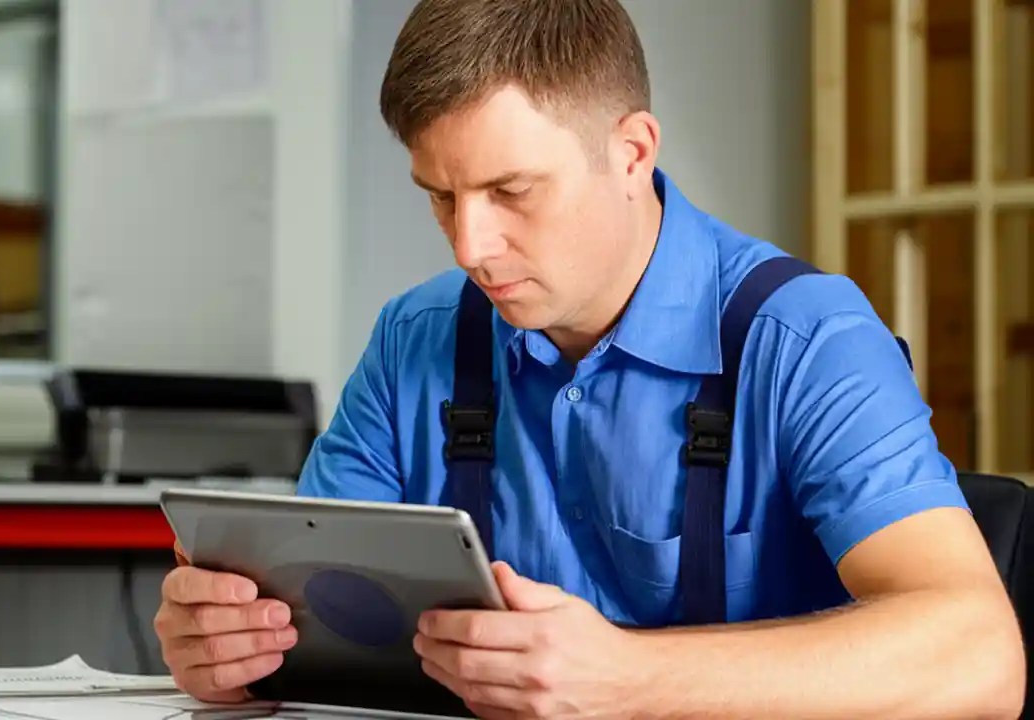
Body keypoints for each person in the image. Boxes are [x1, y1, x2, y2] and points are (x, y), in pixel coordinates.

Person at [154, 1, 1026, 717]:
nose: (468, 245)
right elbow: (314, 620)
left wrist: (630, 678)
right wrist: (237, 654)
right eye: (441, 197)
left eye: (510, 191)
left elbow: (981, 658)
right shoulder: (413, 338)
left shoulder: (806, 341)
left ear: (632, 152)